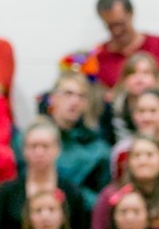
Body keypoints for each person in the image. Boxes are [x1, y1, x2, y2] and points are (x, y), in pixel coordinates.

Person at [0, 119, 91, 229]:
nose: (39, 152)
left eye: (45, 146)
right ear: (23, 151)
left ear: (57, 149)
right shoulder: (7, 192)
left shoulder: (71, 192)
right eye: (33, 146)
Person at [90, 0, 159, 103]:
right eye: (110, 26)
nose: (117, 31)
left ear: (131, 13)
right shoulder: (98, 56)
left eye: (120, 24)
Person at [90, 136, 159, 229]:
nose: (143, 161)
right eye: (136, 156)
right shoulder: (111, 196)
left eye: (150, 155)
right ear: (128, 163)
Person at [43, 71, 111, 214]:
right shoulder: (34, 139)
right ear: (53, 98)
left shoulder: (98, 149)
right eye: (68, 94)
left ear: (86, 104)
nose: (75, 101)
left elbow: (102, 198)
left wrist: (74, 196)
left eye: (81, 96)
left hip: (79, 217)